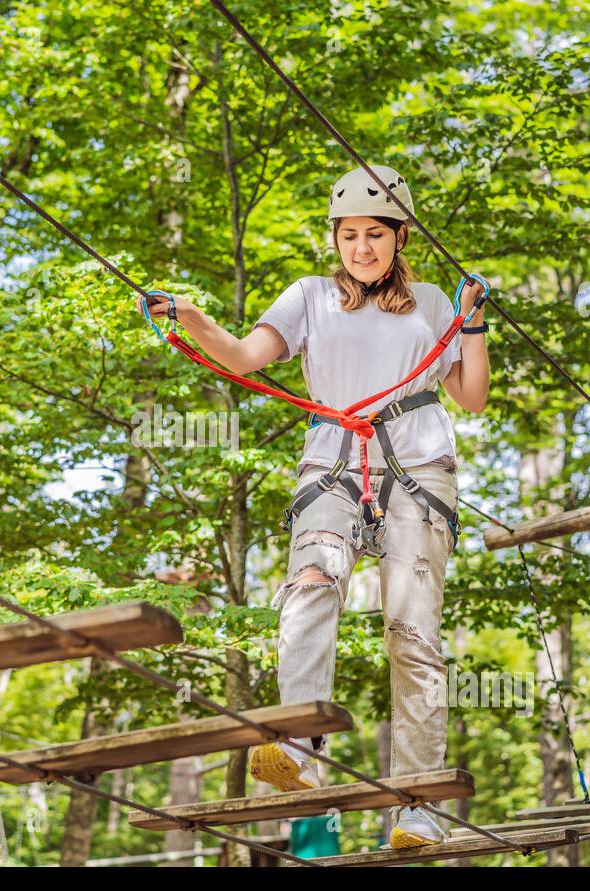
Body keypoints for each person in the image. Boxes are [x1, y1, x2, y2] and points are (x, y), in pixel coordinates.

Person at [138, 164, 490, 849]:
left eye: (375, 236)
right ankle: (296, 741)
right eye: (349, 235)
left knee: (411, 631)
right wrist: (191, 315)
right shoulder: (308, 298)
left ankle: (416, 806)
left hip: (416, 470)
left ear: (399, 236)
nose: (361, 249)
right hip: (331, 468)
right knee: (309, 582)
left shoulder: (432, 305)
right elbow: (241, 358)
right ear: (335, 238)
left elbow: (472, 396)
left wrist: (473, 324)